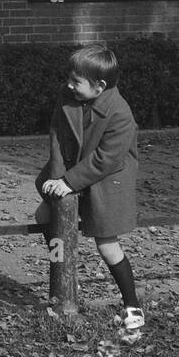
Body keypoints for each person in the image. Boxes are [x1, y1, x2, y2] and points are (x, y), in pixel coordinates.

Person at [35, 45, 143, 340]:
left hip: (105, 180)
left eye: (77, 81)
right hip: (69, 169)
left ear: (101, 86)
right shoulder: (67, 96)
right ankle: (67, 282)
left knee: (107, 244)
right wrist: (58, 178)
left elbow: (106, 160)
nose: (69, 85)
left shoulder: (119, 114)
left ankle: (132, 304)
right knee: (46, 215)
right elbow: (57, 134)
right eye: (69, 78)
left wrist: (69, 183)